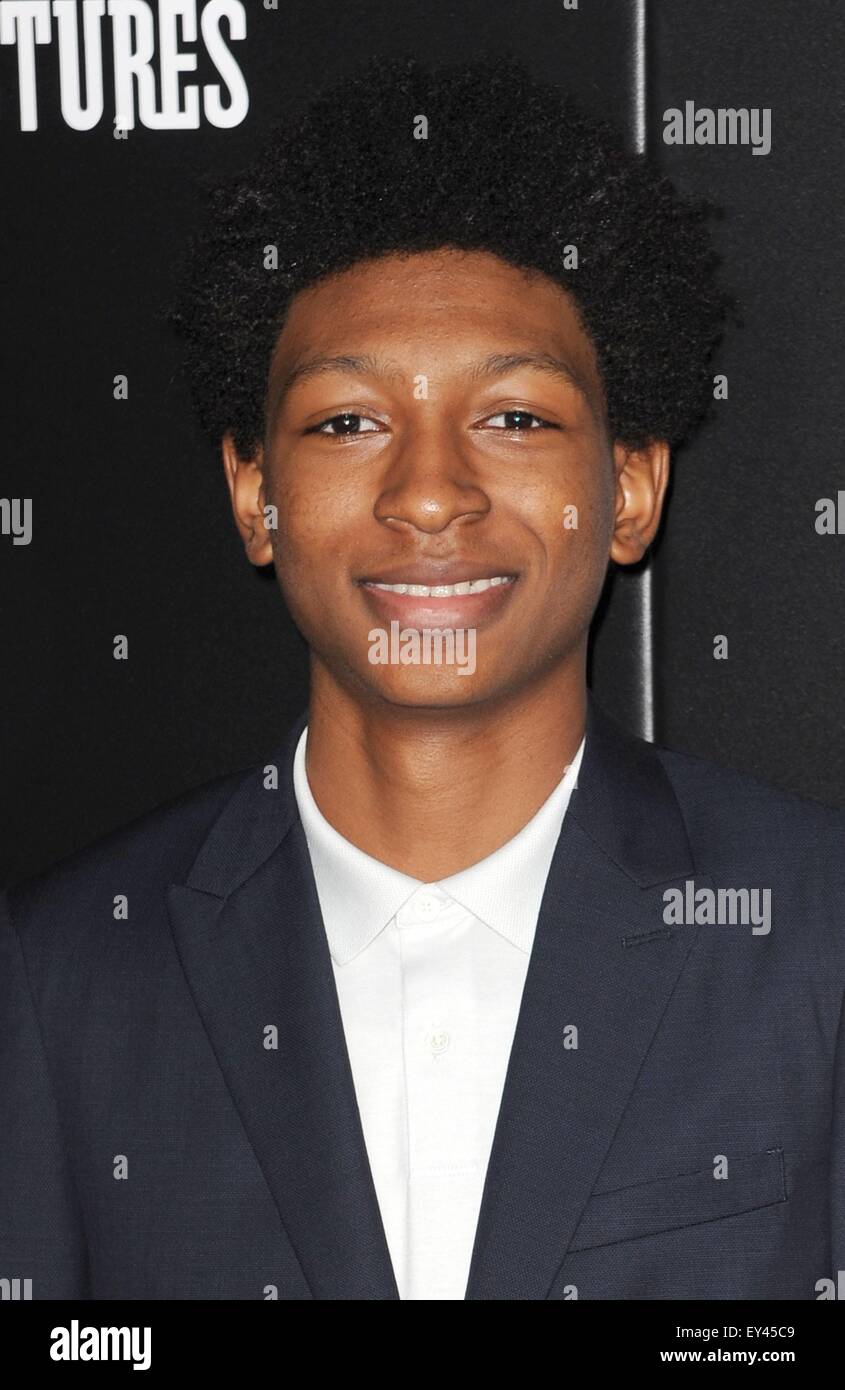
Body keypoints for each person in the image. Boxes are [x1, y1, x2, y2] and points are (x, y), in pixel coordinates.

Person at [2, 56, 843, 1302]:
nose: (429, 492)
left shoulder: (814, 936)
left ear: (629, 489)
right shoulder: (65, 974)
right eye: (348, 423)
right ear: (255, 495)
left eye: (513, 418)